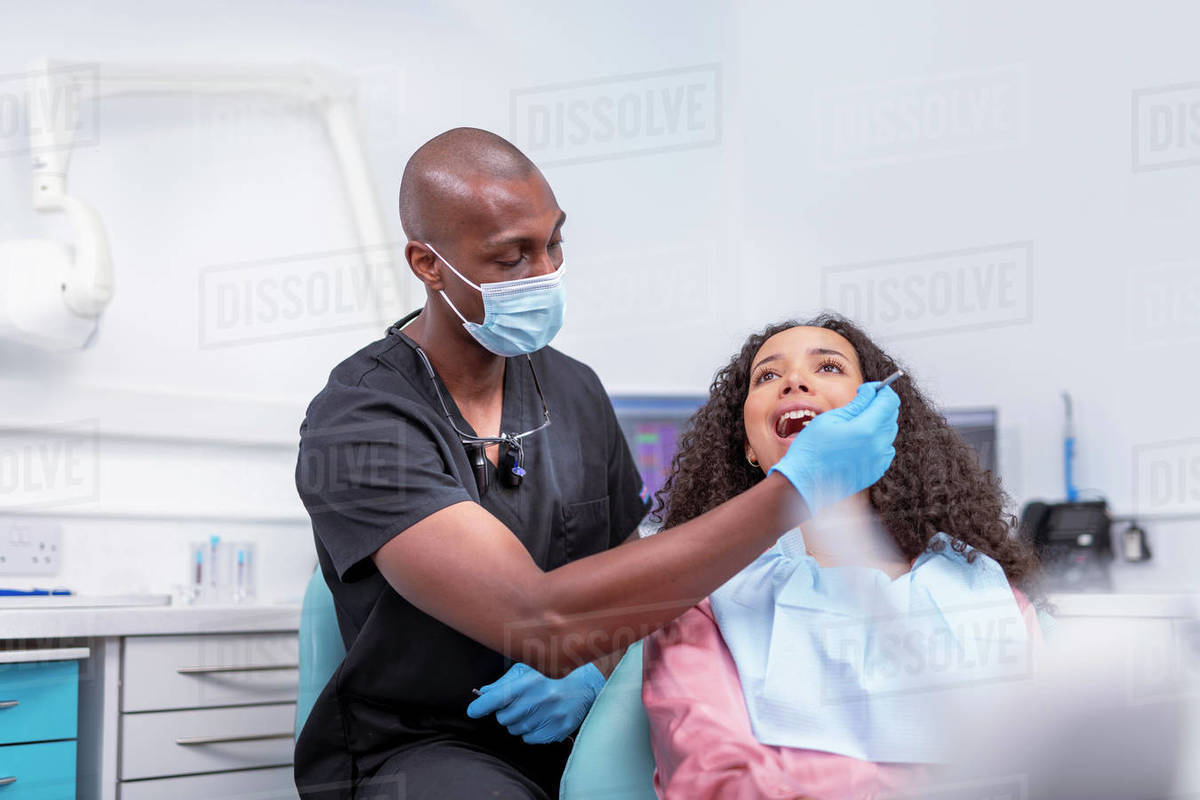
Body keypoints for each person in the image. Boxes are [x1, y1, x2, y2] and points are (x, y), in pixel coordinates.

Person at [293, 132, 901, 800]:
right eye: (511, 257)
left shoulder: (573, 389)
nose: (544, 273)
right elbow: (537, 619)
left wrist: (598, 670)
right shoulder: (360, 422)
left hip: (589, 724)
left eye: (554, 243)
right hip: (426, 749)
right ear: (428, 264)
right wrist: (797, 490)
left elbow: (634, 580)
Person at [641, 314, 1045, 800]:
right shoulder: (706, 598)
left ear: (882, 421)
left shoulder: (986, 594)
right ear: (749, 446)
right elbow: (713, 779)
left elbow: (1038, 767)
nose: (794, 381)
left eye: (828, 367)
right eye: (768, 375)